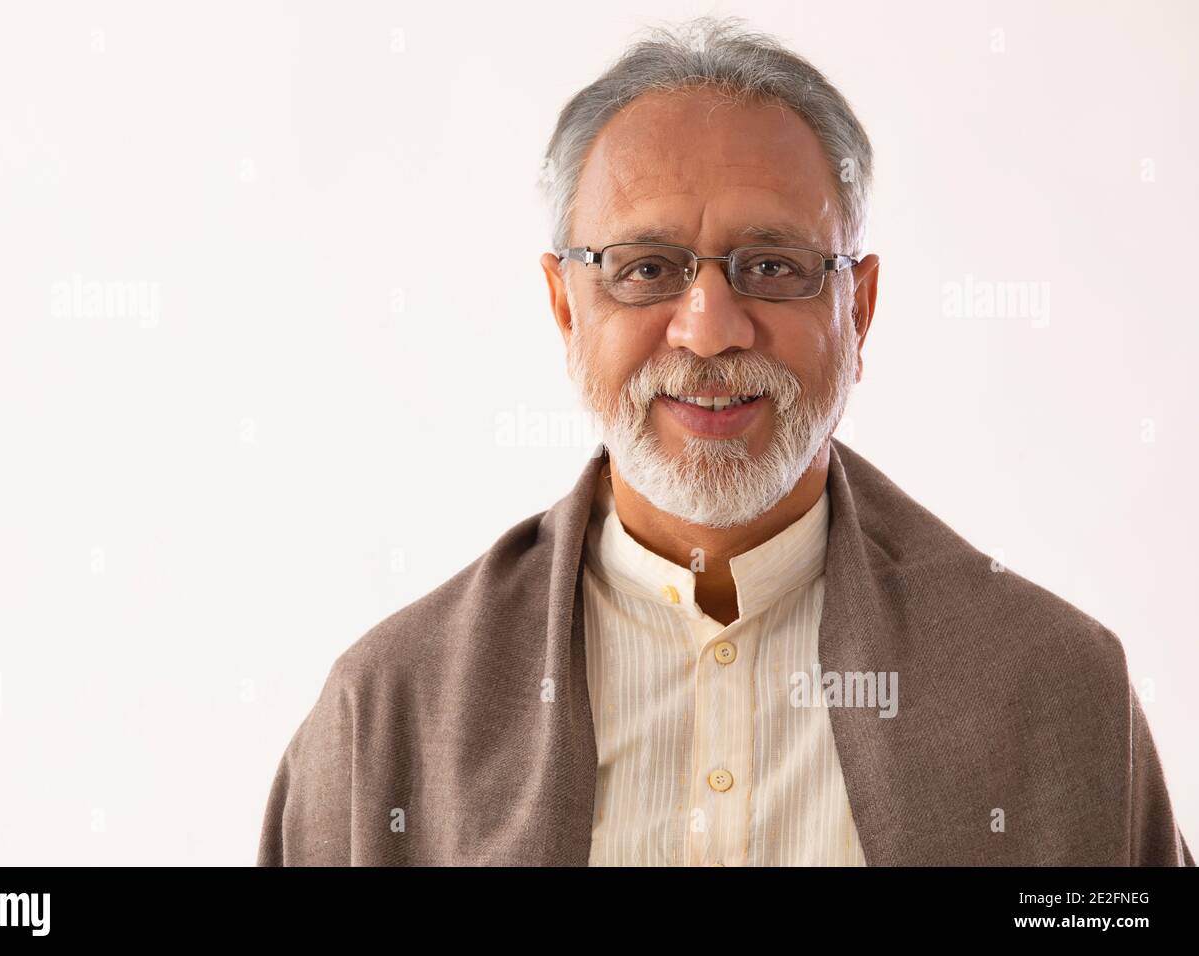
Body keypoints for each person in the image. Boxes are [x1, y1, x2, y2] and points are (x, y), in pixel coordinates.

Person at [258, 15, 1191, 866]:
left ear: (857, 310)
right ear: (563, 306)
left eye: (772, 267)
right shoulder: (387, 716)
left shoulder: (1052, 690)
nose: (708, 329)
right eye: (647, 269)